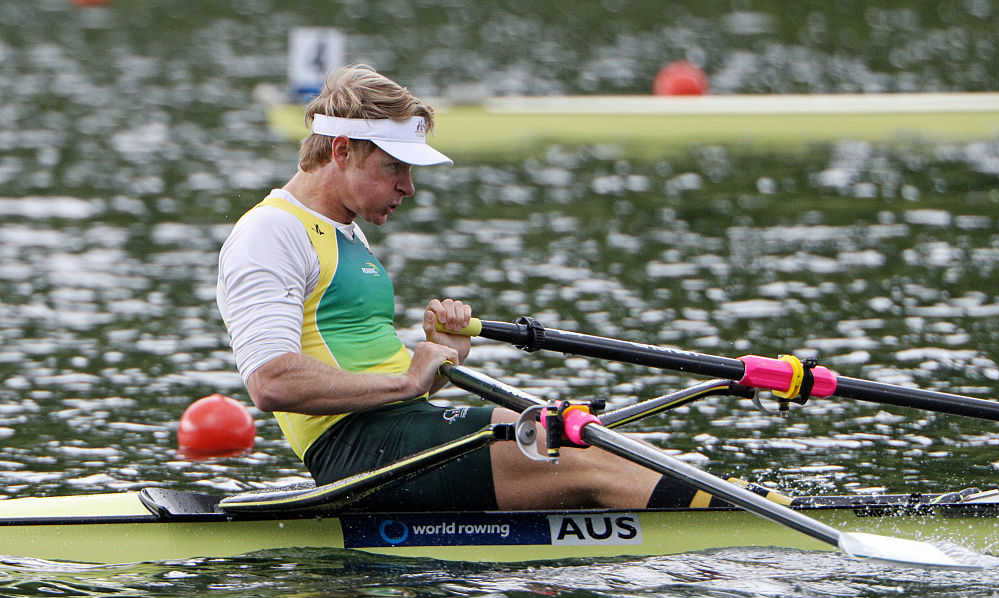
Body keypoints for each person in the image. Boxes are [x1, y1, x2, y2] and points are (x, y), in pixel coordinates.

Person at [217, 65, 716, 512]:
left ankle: (722, 506)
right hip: (357, 450)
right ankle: (731, 523)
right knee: (575, 451)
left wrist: (441, 360)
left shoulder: (347, 231)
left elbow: (372, 369)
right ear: (342, 151)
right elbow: (271, 382)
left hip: (400, 428)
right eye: (395, 166)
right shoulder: (271, 232)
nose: (408, 187)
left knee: (584, 437)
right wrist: (408, 383)